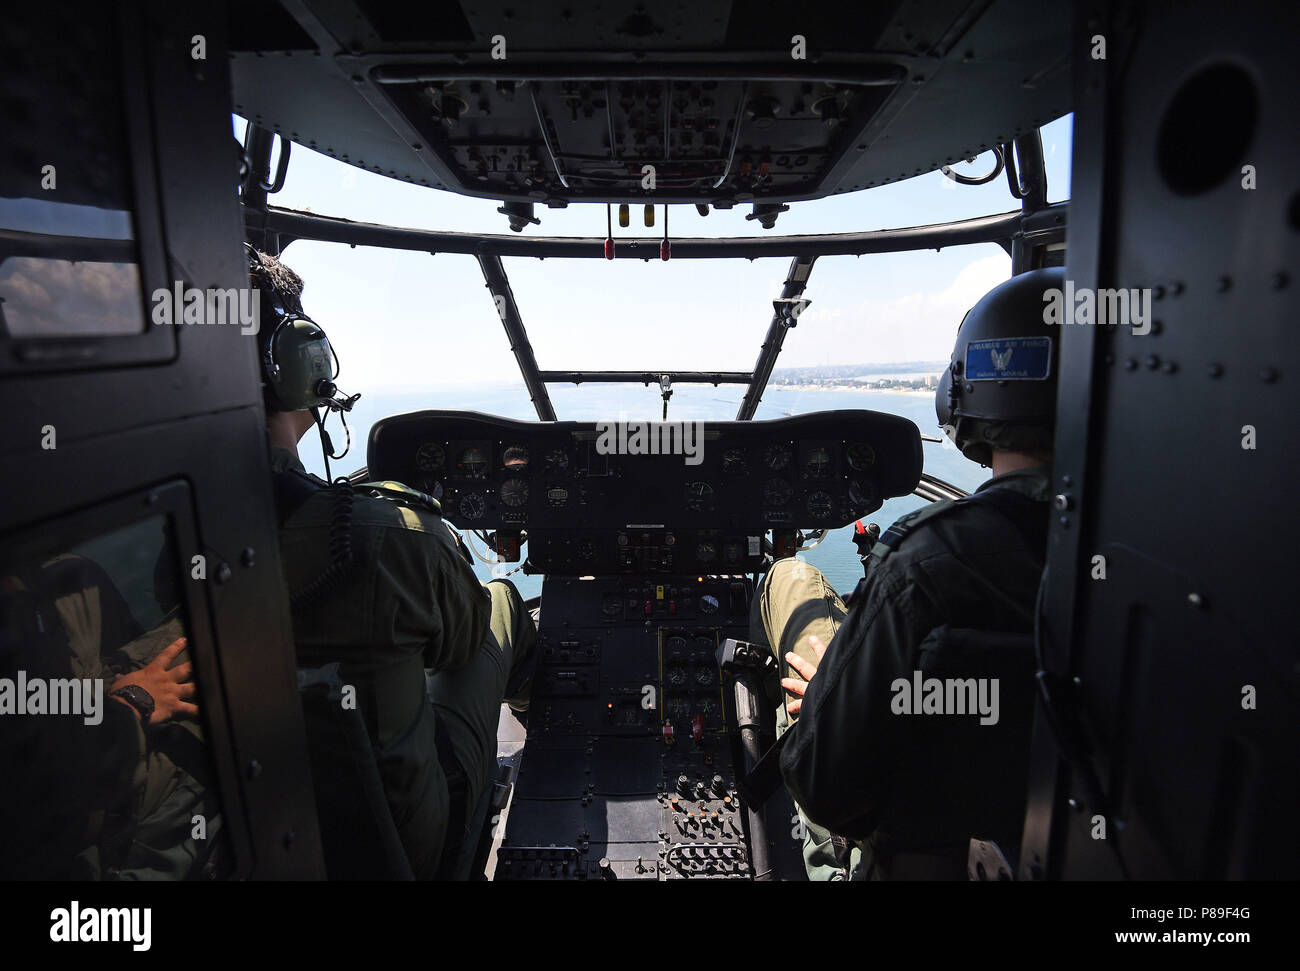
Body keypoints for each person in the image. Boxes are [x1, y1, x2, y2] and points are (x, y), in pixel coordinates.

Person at [749, 265, 1062, 879]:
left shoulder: (929, 562)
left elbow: (824, 790)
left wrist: (824, 703)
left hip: (902, 859)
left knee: (790, 574)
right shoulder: (1171, 563)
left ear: (964, 397)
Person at [246, 246, 535, 879]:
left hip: (267, 845)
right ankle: (552, 717)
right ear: (299, 364)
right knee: (500, 603)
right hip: (411, 849)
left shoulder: (149, 546)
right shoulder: (391, 534)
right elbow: (458, 645)